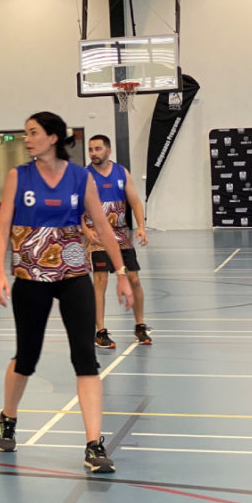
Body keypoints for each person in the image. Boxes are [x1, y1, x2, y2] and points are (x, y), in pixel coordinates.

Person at [0, 112, 133, 474]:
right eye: (26, 133)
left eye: (33, 132)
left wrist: (121, 273)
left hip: (73, 274)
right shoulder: (17, 176)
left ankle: (93, 444)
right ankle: (8, 416)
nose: (27, 138)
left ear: (53, 137)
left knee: (85, 357)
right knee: (27, 358)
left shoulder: (79, 176)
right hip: (30, 276)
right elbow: (3, 225)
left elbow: (101, 223)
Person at [82, 135, 151, 349]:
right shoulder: (84, 175)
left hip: (121, 236)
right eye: (90, 149)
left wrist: (140, 226)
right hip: (97, 236)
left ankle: (140, 325)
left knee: (134, 279)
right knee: (100, 281)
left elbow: (135, 201)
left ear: (108, 151)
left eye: (97, 149)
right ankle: (100, 331)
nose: (93, 153)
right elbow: (74, 208)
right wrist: (85, 230)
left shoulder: (122, 172)